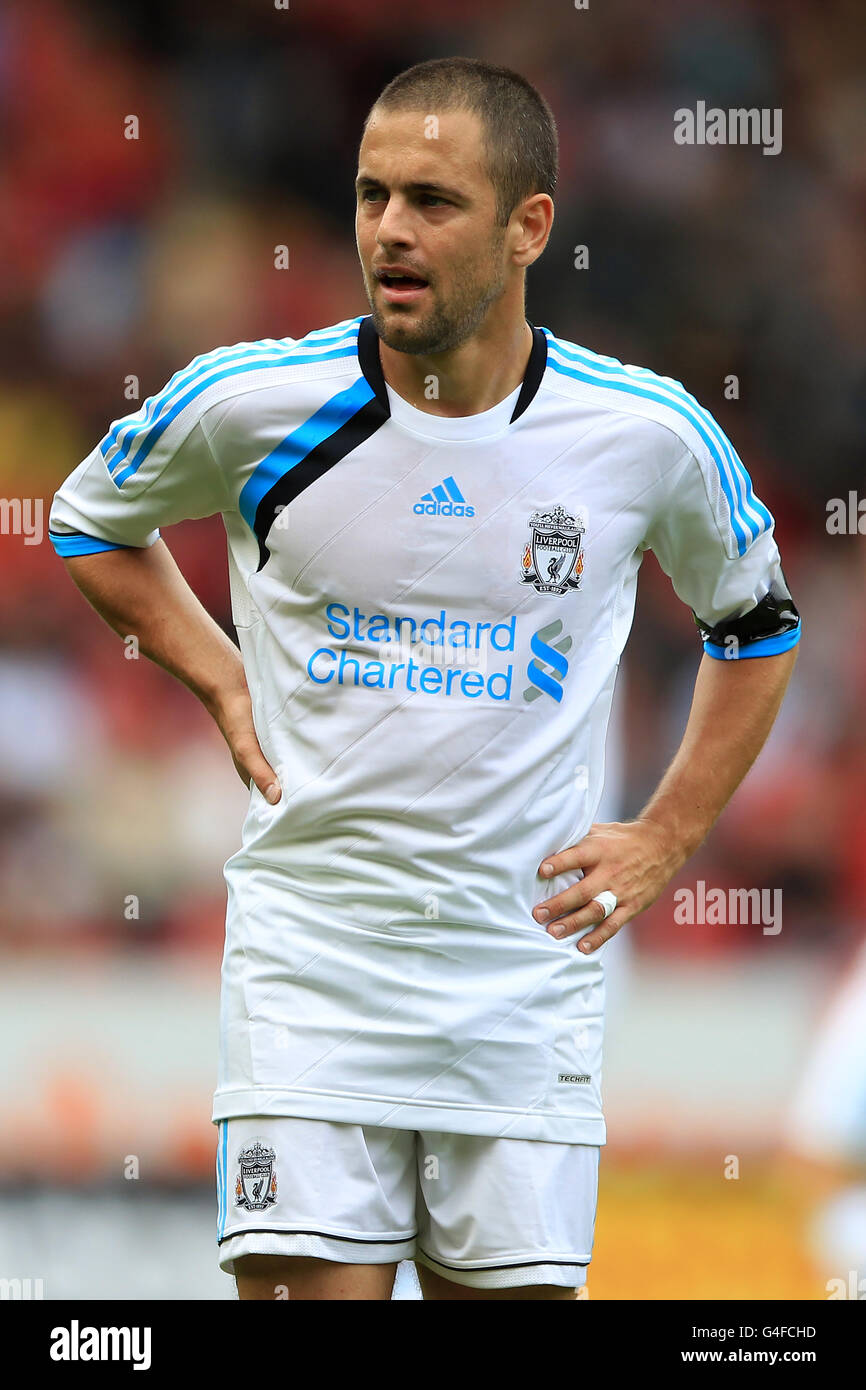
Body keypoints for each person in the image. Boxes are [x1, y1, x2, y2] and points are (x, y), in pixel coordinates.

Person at [49, 56, 800, 1301]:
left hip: (522, 984)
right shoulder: (254, 402)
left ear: (527, 227)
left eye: (433, 202)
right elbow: (87, 520)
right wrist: (221, 681)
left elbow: (756, 623)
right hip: (311, 970)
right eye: (369, 195)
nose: (389, 230)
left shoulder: (646, 434)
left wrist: (668, 835)